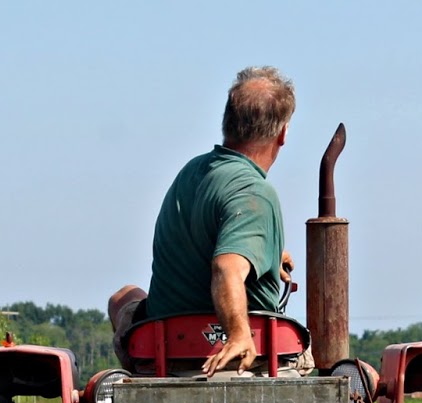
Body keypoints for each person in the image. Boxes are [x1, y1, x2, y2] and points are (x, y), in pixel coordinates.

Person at [109, 66, 296, 376]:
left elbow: (207, 244)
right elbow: (226, 267)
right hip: (250, 353)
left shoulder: (192, 173)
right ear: (283, 133)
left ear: (228, 122)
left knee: (123, 297)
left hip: (165, 347)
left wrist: (265, 256)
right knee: (309, 353)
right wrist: (238, 335)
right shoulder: (255, 192)